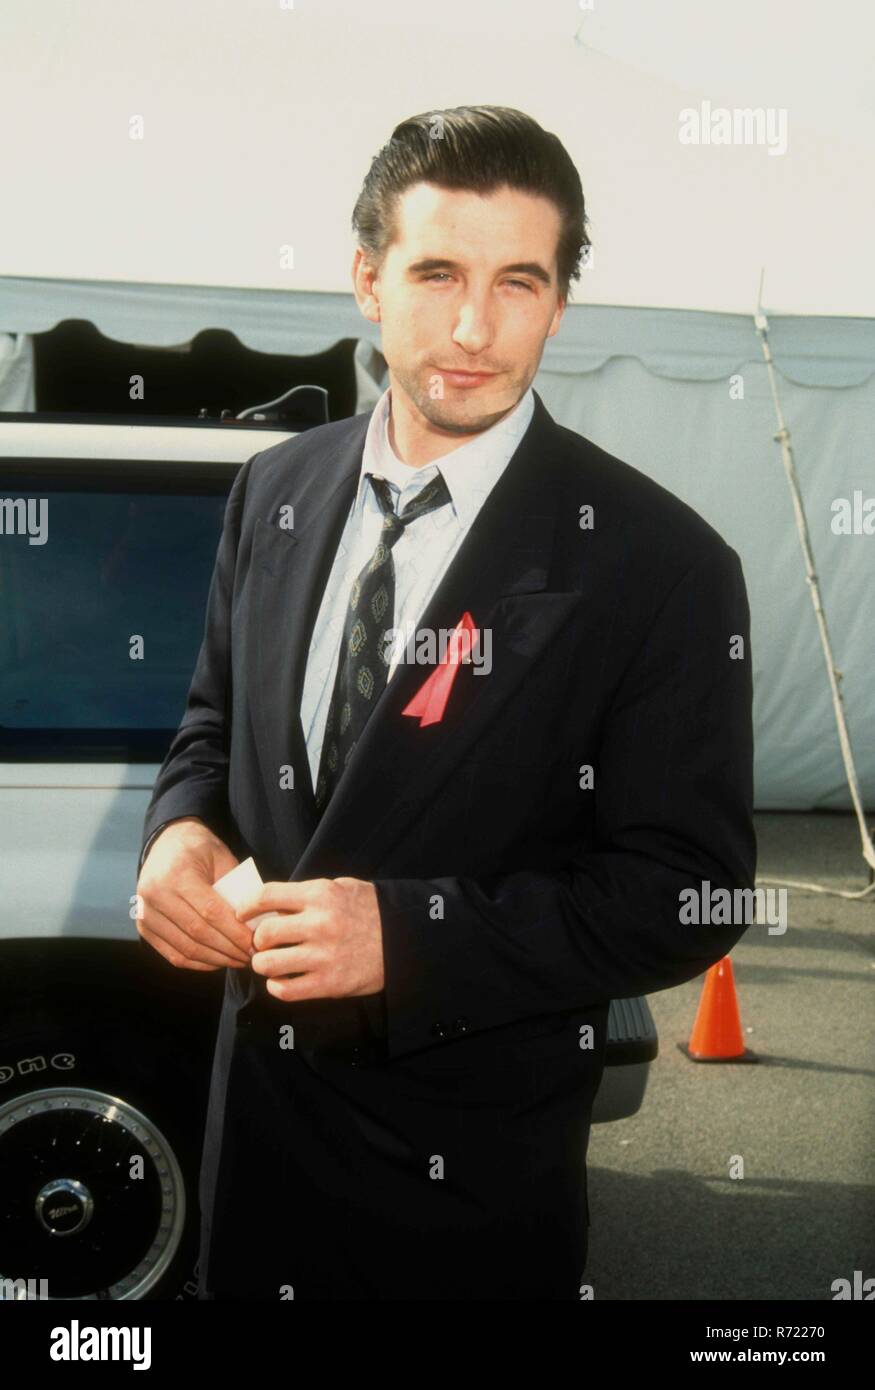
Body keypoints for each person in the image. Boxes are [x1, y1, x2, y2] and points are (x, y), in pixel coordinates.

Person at [136, 105, 756, 1300]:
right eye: (435, 273)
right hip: (251, 1170)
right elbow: (211, 723)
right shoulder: (274, 486)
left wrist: (410, 938)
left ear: (560, 303)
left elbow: (686, 888)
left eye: (518, 282)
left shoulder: (657, 564)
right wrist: (178, 831)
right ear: (367, 278)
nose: (475, 328)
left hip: (466, 1203)